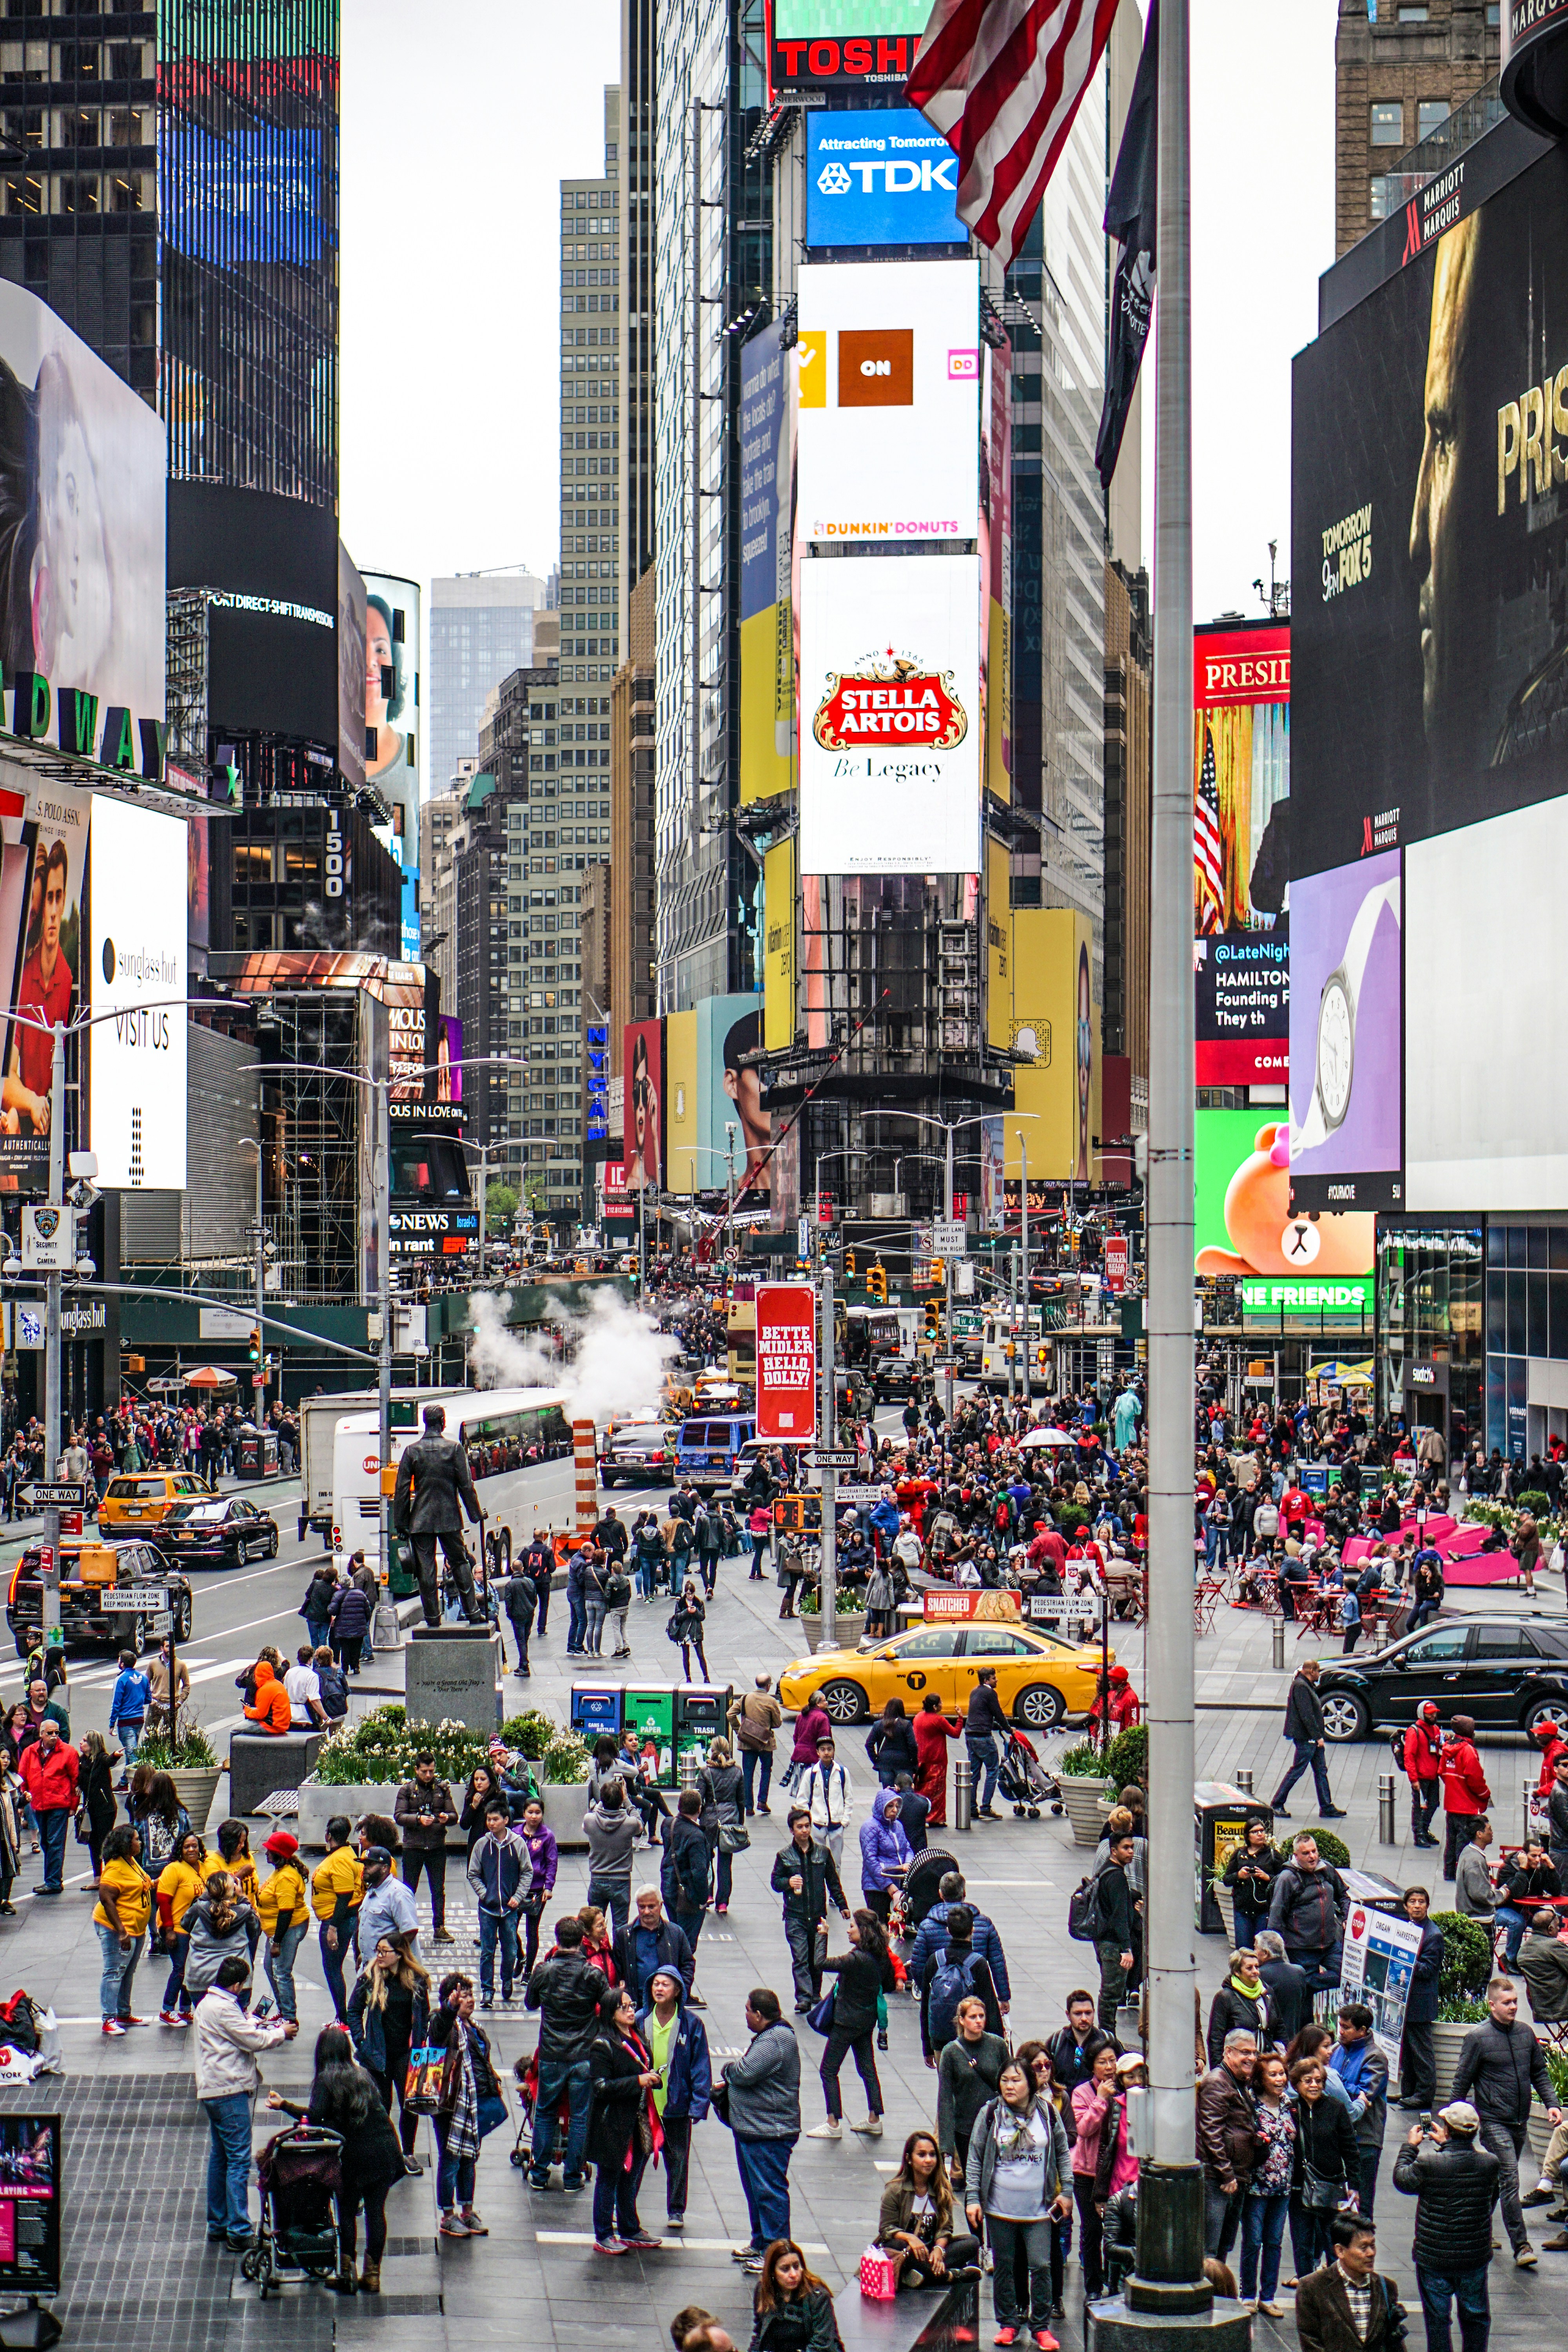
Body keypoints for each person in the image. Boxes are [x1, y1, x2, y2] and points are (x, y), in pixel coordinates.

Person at [267, 2022, 406, 2292]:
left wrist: (283, 2105)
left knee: (347, 2210)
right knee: (377, 2212)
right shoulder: (363, 2075)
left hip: (357, 2155)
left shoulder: (326, 2079)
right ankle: (373, 2275)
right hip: (387, 2148)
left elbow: (315, 2117)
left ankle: (347, 2273)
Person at [1450, 1973, 1563, 2267]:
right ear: (1492, 2006)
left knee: (1498, 2184)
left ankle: (1475, 2229)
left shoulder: (1525, 2034)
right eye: (1507, 2002)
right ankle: (1522, 2246)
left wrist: (1552, 2104)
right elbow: (1461, 2081)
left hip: (1519, 2122)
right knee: (1510, 2178)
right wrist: (1452, 2123)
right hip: (1492, 2121)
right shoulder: (1478, 2038)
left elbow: (1539, 2072)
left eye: (1516, 2002)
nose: (1514, 2007)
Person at [965, 2053, 1074, 2350]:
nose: (1009, 2086)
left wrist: (1067, 2192)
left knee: (1041, 2266)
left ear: (1031, 2084)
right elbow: (975, 2157)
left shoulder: (1047, 2113)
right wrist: (973, 2198)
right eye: (1004, 2080)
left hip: (1039, 2209)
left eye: (1016, 2080)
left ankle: (1041, 2326)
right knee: (1005, 2266)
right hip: (1000, 2208)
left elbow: (1063, 2153)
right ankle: (1009, 2323)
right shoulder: (990, 2114)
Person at [1393, 2100, 1500, 2352]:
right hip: (1473, 2256)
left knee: (1438, 2321)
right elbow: (1491, 2199)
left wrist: (1410, 2147)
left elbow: (1402, 2179)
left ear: (1448, 2130)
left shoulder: (1430, 2164)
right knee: (1476, 2317)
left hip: (1434, 2256)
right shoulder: (1490, 2164)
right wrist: (1448, 2145)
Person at [724, 1987, 802, 2275]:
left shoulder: (776, 2040)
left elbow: (744, 2072)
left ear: (759, 2015)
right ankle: (760, 2243)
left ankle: (775, 2252)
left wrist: (727, 2071)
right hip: (754, 2130)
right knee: (756, 2191)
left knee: (769, 2193)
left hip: (770, 2132)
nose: (745, 2014)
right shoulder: (770, 2037)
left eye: (747, 2010)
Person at [524, 1912, 604, 2190]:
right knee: (581, 2116)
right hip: (583, 2054)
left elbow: (531, 2003)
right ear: (582, 1940)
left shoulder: (544, 1972)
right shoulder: (593, 1974)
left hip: (551, 2052)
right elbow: (606, 2009)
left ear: (558, 1940)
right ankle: (573, 2176)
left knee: (545, 2112)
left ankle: (540, 2173)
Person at [585, 1978, 664, 2254]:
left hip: (639, 2118)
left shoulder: (637, 2037)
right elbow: (601, 2087)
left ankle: (629, 2227)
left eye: (632, 2006)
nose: (631, 2011)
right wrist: (638, 2081)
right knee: (609, 2178)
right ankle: (604, 2233)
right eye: (624, 2008)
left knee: (633, 2177)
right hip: (613, 2123)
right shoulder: (602, 2045)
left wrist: (650, 2079)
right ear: (611, 2013)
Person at [391, 1402, 486, 1627]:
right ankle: (473, 1612)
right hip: (449, 1518)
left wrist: (402, 1523)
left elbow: (402, 1489)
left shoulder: (412, 1451)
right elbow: (466, 1485)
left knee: (426, 1568)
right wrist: (476, 1514)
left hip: (421, 1519)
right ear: (442, 1423)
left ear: (425, 1423)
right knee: (460, 1562)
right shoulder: (454, 1449)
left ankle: (432, 1617)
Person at [807, 1906, 897, 2142]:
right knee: (868, 2069)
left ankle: (833, 2122)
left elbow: (820, 1962)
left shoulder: (856, 1959)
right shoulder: (881, 1955)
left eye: (852, 1927)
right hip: (867, 2021)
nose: (848, 1931)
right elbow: (887, 1985)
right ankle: (874, 2119)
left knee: (828, 2070)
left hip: (846, 2021)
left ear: (864, 1930)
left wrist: (822, 1935)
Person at [428, 1969, 503, 2238]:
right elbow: (437, 2031)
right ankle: (448, 2215)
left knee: (469, 2157)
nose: (470, 2000)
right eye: (463, 1996)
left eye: (471, 1995)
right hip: (449, 2104)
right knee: (450, 2160)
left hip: (471, 2103)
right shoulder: (442, 2022)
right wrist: (449, 2008)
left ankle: (467, 2211)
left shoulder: (474, 2027)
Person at [348, 1930, 431, 2171]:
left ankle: (408, 2153)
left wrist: (421, 2040)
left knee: (410, 2105)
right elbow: (353, 2011)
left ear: (400, 1954)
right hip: (377, 2055)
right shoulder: (369, 1978)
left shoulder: (416, 1980)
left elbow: (423, 2013)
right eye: (378, 1951)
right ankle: (388, 2151)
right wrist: (361, 2041)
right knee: (381, 2106)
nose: (380, 1956)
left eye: (385, 1952)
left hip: (407, 2054)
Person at [638, 1965, 710, 2234]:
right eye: (656, 1984)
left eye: (665, 1985)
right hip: (645, 2105)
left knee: (678, 2158)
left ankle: (676, 2209)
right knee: (637, 2158)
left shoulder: (692, 2025)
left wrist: (698, 2104)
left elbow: (700, 2066)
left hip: (676, 2103)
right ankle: (626, 2205)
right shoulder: (641, 2020)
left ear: (678, 1991)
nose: (659, 1989)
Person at [1072, 2046, 1143, 2303]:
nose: (1109, 2067)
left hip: (1117, 2176)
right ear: (1093, 2066)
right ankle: (1094, 2286)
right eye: (1103, 2062)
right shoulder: (1084, 2093)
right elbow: (1085, 2129)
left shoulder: (1134, 2102)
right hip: (1088, 2172)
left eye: (1113, 2060)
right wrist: (1101, 2098)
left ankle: (1119, 2285)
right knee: (1092, 2231)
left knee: (1124, 2234)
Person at [877, 2127, 980, 2290]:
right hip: (908, 2251)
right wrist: (911, 2239)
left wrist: (939, 2249)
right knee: (896, 2247)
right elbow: (886, 2229)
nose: (929, 2160)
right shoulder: (895, 2190)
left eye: (932, 2155)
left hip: (931, 2252)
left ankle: (921, 2275)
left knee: (972, 2242)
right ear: (909, 2159)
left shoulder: (942, 2189)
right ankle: (948, 2275)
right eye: (922, 2155)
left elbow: (946, 2228)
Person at [1289, 2053, 1361, 2277]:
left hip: (1331, 2187)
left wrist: (1354, 2185)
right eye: (1308, 2081)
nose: (1314, 2085)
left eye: (1319, 2081)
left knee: (1333, 2244)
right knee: (1302, 2246)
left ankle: (1334, 2289)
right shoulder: (1291, 2109)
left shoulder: (1336, 2109)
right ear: (1297, 2083)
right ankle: (1306, 2287)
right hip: (1299, 2189)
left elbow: (1350, 2150)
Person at [772, 1807, 850, 2012]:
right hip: (795, 1916)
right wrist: (788, 1882)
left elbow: (833, 1881)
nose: (805, 1831)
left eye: (807, 1826)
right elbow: (775, 1882)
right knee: (801, 1957)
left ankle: (815, 1992)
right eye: (800, 1827)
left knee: (818, 1957)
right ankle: (804, 1997)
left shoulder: (823, 1854)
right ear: (792, 1830)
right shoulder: (784, 1856)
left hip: (817, 1916)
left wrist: (843, 1905)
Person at [1294, 2213, 1406, 2352]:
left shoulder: (1387, 2287)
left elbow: (1393, 2343)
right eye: (1363, 2247)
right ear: (1340, 2251)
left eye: (1373, 2246)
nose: (1371, 2253)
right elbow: (1311, 2343)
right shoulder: (1312, 2288)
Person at [1242, 2047, 1297, 2316]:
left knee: (1274, 2241)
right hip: (1256, 2185)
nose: (1280, 2079)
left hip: (1283, 2186)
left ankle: (1268, 2296)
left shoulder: (1289, 2104)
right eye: (1273, 2075)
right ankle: (1248, 2295)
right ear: (1261, 2079)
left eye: (1282, 2074)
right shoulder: (1251, 2104)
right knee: (1253, 2241)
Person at [910, 1872, 1014, 2013]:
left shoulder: (927, 1927)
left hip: (942, 2000)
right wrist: (1004, 1996)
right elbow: (998, 1963)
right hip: (976, 2001)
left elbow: (917, 1966)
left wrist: (933, 1991)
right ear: (964, 1892)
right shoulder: (985, 1924)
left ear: (941, 1894)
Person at [1198, 2028, 1258, 2264]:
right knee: (1210, 2249)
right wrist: (1226, 2174)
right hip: (1219, 2179)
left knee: (1224, 2245)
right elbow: (1211, 2132)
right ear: (1228, 2053)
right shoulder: (1217, 2083)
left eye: (1254, 2053)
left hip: (1235, 2176)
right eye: (1245, 2052)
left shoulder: (1238, 2081)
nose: (1251, 2058)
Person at [937, 1994, 1009, 2185]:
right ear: (962, 2020)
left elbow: (1011, 2083)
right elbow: (945, 2097)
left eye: (982, 2016)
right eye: (973, 2017)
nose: (979, 2021)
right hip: (966, 2128)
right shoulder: (951, 2052)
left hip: (996, 2123)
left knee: (998, 2179)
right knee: (974, 2183)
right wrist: (945, 2144)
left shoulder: (998, 2045)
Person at [920, 1903, 1004, 2063]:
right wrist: (999, 2045)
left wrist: (928, 2046)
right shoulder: (978, 1964)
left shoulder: (935, 1961)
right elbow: (990, 2006)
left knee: (946, 2085)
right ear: (973, 1930)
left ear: (948, 1931)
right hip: (971, 2039)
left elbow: (926, 2005)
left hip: (941, 2039)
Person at [1268, 1834, 1348, 1999]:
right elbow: (1276, 1916)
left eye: (1314, 1851)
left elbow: (1344, 1896)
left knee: (1348, 1976)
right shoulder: (1287, 1879)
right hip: (1301, 1947)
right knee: (1304, 1990)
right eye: (1306, 1853)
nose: (1312, 1857)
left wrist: (1346, 1916)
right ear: (1296, 1856)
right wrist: (1275, 1953)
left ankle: (1308, 1982)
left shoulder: (1327, 1869)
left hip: (1330, 1944)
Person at [1329, 2001, 1389, 2219]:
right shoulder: (1337, 2050)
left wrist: (1333, 2079)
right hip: (1338, 2135)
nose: (1341, 2031)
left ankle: (1363, 2247)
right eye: (1340, 2025)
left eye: (1346, 2027)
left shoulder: (1376, 2058)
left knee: (1360, 2203)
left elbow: (1364, 2095)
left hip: (1364, 2139)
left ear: (1362, 2030)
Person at [467, 1798, 527, 2007]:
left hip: (510, 1909)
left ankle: (507, 1979)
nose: (491, 1823)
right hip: (488, 1909)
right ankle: (487, 1990)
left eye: (496, 1819)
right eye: (489, 1819)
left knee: (510, 1950)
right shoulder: (482, 1845)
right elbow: (473, 1874)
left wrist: (517, 1897)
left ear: (506, 1820)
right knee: (487, 1951)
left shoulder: (518, 1844)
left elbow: (527, 1872)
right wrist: (485, 1895)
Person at [394, 1754, 458, 1946]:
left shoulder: (442, 1789)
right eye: (424, 1772)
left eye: (432, 1771)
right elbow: (399, 1816)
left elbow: (455, 1815)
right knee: (408, 1890)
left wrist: (448, 1817)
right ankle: (406, 1927)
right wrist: (418, 1820)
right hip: (413, 1846)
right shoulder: (406, 1790)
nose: (429, 1775)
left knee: (438, 1889)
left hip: (437, 1845)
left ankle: (439, 1927)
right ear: (416, 1770)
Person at [93, 1823, 151, 2034]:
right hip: (117, 1929)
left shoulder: (131, 1861)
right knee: (115, 1971)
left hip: (137, 1927)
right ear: (127, 1844)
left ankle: (124, 2013)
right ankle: (109, 2018)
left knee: (128, 1971)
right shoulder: (116, 1867)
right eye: (137, 1839)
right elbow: (106, 1898)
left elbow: (143, 1884)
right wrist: (122, 1932)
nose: (140, 1842)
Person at [1269, 1660, 1345, 1820]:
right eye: (1318, 1672)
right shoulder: (1301, 1687)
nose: (1319, 1675)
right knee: (1298, 1770)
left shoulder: (1304, 1685)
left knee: (1321, 1771)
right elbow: (1307, 1714)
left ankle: (1327, 1806)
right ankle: (1277, 1803)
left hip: (1311, 1738)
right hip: (1307, 1738)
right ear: (1311, 1671)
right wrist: (1317, 1737)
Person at [310, 1814, 363, 2024]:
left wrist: (333, 1927)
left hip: (338, 1921)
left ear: (329, 1835)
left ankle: (344, 2018)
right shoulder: (345, 1853)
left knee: (333, 1969)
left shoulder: (340, 1859)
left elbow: (345, 1895)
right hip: (342, 1919)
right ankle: (343, 2016)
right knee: (334, 1968)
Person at [256, 1829, 310, 2025]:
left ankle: (289, 2018)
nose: (266, 1852)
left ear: (279, 1854)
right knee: (270, 1967)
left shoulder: (286, 1877)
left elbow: (286, 1912)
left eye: (270, 1850)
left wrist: (277, 1942)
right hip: (278, 1930)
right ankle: (283, 2010)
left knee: (281, 1972)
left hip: (289, 1929)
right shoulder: (279, 1871)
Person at [1398, 1888, 1445, 2113]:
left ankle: (1425, 2095)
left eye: (1422, 1902)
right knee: (1407, 2049)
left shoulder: (1433, 1934)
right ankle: (1408, 2091)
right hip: (1403, 1999)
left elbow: (1428, 1970)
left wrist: (1404, 1961)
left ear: (1427, 1906)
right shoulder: (1404, 1927)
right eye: (1413, 1902)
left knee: (1421, 2050)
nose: (1417, 1906)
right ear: (1406, 1906)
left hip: (1420, 2002)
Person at [18, 1713, 76, 1895]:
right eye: (50, 1733)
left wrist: (73, 1805)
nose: (54, 1736)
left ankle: (52, 1882)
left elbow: (75, 1781)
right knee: (46, 1843)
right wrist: (24, 1797)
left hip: (59, 1804)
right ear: (41, 1734)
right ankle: (54, 1878)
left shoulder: (69, 1752)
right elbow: (22, 1777)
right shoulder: (30, 1752)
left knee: (55, 1842)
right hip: (38, 1804)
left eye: (57, 1733)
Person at [747, 2240, 839, 2352]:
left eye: (796, 2267)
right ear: (772, 2272)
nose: (794, 2275)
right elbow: (760, 2334)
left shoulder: (818, 2297)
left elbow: (823, 2344)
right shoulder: (763, 2291)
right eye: (785, 2269)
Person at [184, 1871, 259, 2005]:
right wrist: (242, 1897)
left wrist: (206, 1895)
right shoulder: (245, 1912)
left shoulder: (198, 1910)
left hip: (200, 1977)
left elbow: (185, 1924)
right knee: (235, 2022)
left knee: (206, 2021)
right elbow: (255, 1931)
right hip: (236, 1980)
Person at [662, 1786, 713, 1977]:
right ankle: (681, 1987)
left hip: (669, 1888)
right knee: (686, 1946)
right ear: (699, 1809)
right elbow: (699, 1873)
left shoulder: (669, 1825)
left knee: (674, 1938)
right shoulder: (697, 1837)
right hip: (688, 1897)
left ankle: (671, 1982)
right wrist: (702, 1899)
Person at [1093, 1829, 1141, 2031]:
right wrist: (1127, 1949)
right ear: (1114, 1851)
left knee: (1109, 1993)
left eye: (1132, 1847)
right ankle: (1107, 2036)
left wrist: (1131, 1897)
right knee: (1111, 1995)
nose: (1131, 1852)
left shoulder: (1107, 1871)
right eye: (1125, 1848)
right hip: (1113, 1944)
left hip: (1104, 1940)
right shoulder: (1117, 1877)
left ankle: (1107, 2034)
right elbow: (1120, 1917)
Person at [584, 1775, 640, 1940]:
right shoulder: (629, 1824)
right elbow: (639, 1823)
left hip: (597, 1878)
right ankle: (619, 1961)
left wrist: (604, 1800)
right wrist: (627, 1799)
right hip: (621, 1881)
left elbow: (595, 1814)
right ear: (621, 1801)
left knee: (592, 1924)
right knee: (621, 1927)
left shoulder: (590, 1820)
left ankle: (594, 1957)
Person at [1494, 1840, 1559, 1971]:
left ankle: (1541, 1958)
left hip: (1528, 1909)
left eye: (1539, 1856)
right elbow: (1516, 1893)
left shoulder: (1539, 1869)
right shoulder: (1508, 1868)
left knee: (1550, 1920)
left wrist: (1551, 1868)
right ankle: (1510, 1959)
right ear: (1524, 1855)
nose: (1537, 1860)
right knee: (1518, 1922)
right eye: (1533, 1856)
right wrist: (1523, 1869)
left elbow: (1557, 1892)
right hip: (1504, 1909)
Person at [1439, 1718, 1490, 1883]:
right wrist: (1485, 1794)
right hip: (1466, 1806)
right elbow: (1475, 1779)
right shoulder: (1468, 1750)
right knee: (1464, 1842)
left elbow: (1442, 1771)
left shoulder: (1448, 1748)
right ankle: (1461, 1873)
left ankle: (1449, 1872)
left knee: (1451, 1840)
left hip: (1451, 1803)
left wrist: (1454, 1787)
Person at [699, 1738, 745, 1915]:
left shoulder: (705, 1772)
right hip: (730, 1820)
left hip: (709, 1822)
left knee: (707, 1860)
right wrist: (740, 1822)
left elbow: (700, 1800)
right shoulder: (737, 1772)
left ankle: (708, 1893)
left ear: (712, 1750)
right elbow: (741, 1800)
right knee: (726, 1864)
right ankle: (723, 1902)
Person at [1045, 1987, 1118, 2098]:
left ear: (1094, 2012)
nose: (1084, 2018)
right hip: (1064, 2106)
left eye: (1088, 2013)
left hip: (1097, 2104)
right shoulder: (1056, 2041)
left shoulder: (1106, 2039)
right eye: (1078, 2014)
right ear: (1068, 2015)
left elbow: (1123, 2070)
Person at [1223, 1821, 1284, 1948]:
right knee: (1244, 1951)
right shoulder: (1239, 1854)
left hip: (1264, 1911)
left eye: (1262, 1831)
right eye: (1255, 1832)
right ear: (1248, 1835)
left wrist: (1268, 1878)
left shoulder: (1273, 1855)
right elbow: (1227, 1880)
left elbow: (1285, 1880)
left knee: (1263, 1950)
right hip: (1242, 1910)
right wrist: (1239, 1876)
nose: (1260, 1834)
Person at [1207, 1947, 1270, 2068]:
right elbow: (1216, 2038)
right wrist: (1219, 2071)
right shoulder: (1225, 1997)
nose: (1256, 1971)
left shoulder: (1266, 1992)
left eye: (1257, 1967)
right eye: (1249, 1968)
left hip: (1264, 2065)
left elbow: (1279, 2027)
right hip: (1239, 2066)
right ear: (1237, 1971)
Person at [518, 1794, 559, 1976]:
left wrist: (548, 1887)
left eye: (538, 1813)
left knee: (532, 1931)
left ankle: (528, 1972)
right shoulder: (515, 1833)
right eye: (530, 1812)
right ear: (524, 1813)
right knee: (510, 1929)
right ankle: (520, 1957)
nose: (534, 1816)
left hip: (537, 1889)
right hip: (516, 1889)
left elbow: (552, 1862)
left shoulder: (547, 1836)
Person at [357, 1843, 419, 1962]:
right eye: (365, 1864)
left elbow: (410, 1932)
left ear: (385, 1868)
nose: (365, 1868)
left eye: (371, 1864)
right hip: (372, 1967)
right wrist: (364, 1955)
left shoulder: (398, 1893)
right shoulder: (372, 1890)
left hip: (392, 1971)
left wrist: (390, 1959)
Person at [731, 1678, 783, 1818]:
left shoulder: (745, 1698)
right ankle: (762, 1801)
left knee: (748, 1774)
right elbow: (778, 1723)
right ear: (768, 1686)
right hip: (765, 1743)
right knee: (766, 1770)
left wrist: (739, 1730)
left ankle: (749, 1807)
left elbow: (730, 1714)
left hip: (747, 1743)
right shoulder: (771, 1701)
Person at [858, 1792, 911, 1927]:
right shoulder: (870, 1827)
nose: (895, 1810)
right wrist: (888, 1885)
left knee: (896, 1925)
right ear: (882, 1807)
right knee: (880, 1926)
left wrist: (908, 1863)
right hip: (877, 1887)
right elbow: (871, 1860)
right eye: (891, 1806)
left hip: (897, 1884)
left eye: (897, 1807)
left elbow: (907, 1848)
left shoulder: (898, 1826)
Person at [965, 1669, 1011, 1822]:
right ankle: (986, 1807)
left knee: (974, 1773)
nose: (996, 1680)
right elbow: (998, 1713)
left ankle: (972, 1808)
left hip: (970, 1735)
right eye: (993, 1678)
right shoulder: (990, 1693)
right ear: (986, 1680)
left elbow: (981, 1712)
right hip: (983, 1737)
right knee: (993, 1771)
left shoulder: (974, 1691)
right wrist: (1009, 1729)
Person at [804, 1734, 853, 1875]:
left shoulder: (843, 1773)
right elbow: (803, 1800)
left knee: (836, 1863)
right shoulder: (811, 1774)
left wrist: (845, 1821)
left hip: (837, 1825)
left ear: (834, 1751)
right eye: (823, 1750)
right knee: (818, 1861)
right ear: (818, 1752)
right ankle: (820, 1891)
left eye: (830, 1749)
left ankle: (835, 1894)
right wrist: (810, 1821)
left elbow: (848, 1798)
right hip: (818, 1824)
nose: (826, 1753)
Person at [913, 1694, 964, 1830]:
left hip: (921, 1759)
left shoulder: (918, 1717)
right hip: (937, 1760)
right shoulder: (939, 1720)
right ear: (935, 1707)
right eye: (940, 1703)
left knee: (920, 1789)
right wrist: (960, 1718)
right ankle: (935, 1818)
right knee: (937, 1792)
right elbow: (955, 1733)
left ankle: (919, 1816)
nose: (942, 1704)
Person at [1255, 1929, 1310, 2050]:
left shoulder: (1261, 1976)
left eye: (1256, 1949)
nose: (1254, 1952)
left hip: (1271, 2041)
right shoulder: (1299, 1972)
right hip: (1293, 2038)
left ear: (1265, 1953)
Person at [77, 1728, 118, 1886]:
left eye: (85, 1741)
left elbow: (110, 1761)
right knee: (93, 1842)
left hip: (105, 1808)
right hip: (90, 1809)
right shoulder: (82, 1761)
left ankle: (110, 1877)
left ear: (93, 1744)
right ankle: (98, 1878)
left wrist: (116, 1756)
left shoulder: (101, 1759)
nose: (81, 1743)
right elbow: (80, 1779)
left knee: (104, 1842)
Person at [1403, 1703, 1444, 1850]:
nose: (1433, 1716)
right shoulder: (1414, 1732)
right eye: (1429, 1714)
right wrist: (1414, 1779)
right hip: (1421, 1777)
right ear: (1422, 1714)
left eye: (1434, 1713)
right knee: (1418, 1806)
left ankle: (1424, 1830)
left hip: (1433, 1776)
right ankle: (1418, 1834)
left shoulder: (1436, 1730)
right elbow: (1409, 1756)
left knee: (1434, 1804)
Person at [107, 1648, 149, 1786]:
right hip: (139, 1720)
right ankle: (124, 1781)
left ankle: (139, 1784)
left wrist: (112, 1724)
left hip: (126, 1722)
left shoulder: (121, 1679)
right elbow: (148, 1698)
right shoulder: (143, 1678)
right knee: (132, 1750)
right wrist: (137, 1700)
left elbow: (116, 1703)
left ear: (122, 1664)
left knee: (133, 1755)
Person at [866, 1700, 918, 1789]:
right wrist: (913, 1761)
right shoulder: (906, 1725)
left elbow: (869, 1744)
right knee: (905, 1791)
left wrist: (876, 1760)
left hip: (885, 1762)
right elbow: (913, 1745)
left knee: (889, 1792)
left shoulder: (878, 1725)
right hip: (904, 1763)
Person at [670, 1577, 708, 1681]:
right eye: (688, 1594)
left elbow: (702, 1617)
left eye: (692, 1594)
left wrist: (696, 1612)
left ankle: (706, 1676)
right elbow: (677, 1617)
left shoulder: (699, 1603)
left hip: (695, 1633)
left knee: (701, 1655)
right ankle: (688, 1677)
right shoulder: (681, 1603)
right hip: (685, 1633)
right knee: (686, 1657)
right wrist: (687, 1611)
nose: (690, 1596)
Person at [283, 1643, 327, 1731]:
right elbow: (315, 1700)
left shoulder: (290, 1672)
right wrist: (326, 1717)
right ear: (310, 1659)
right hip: (305, 1717)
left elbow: (285, 1693)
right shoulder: (312, 1676)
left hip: (289, 1715)